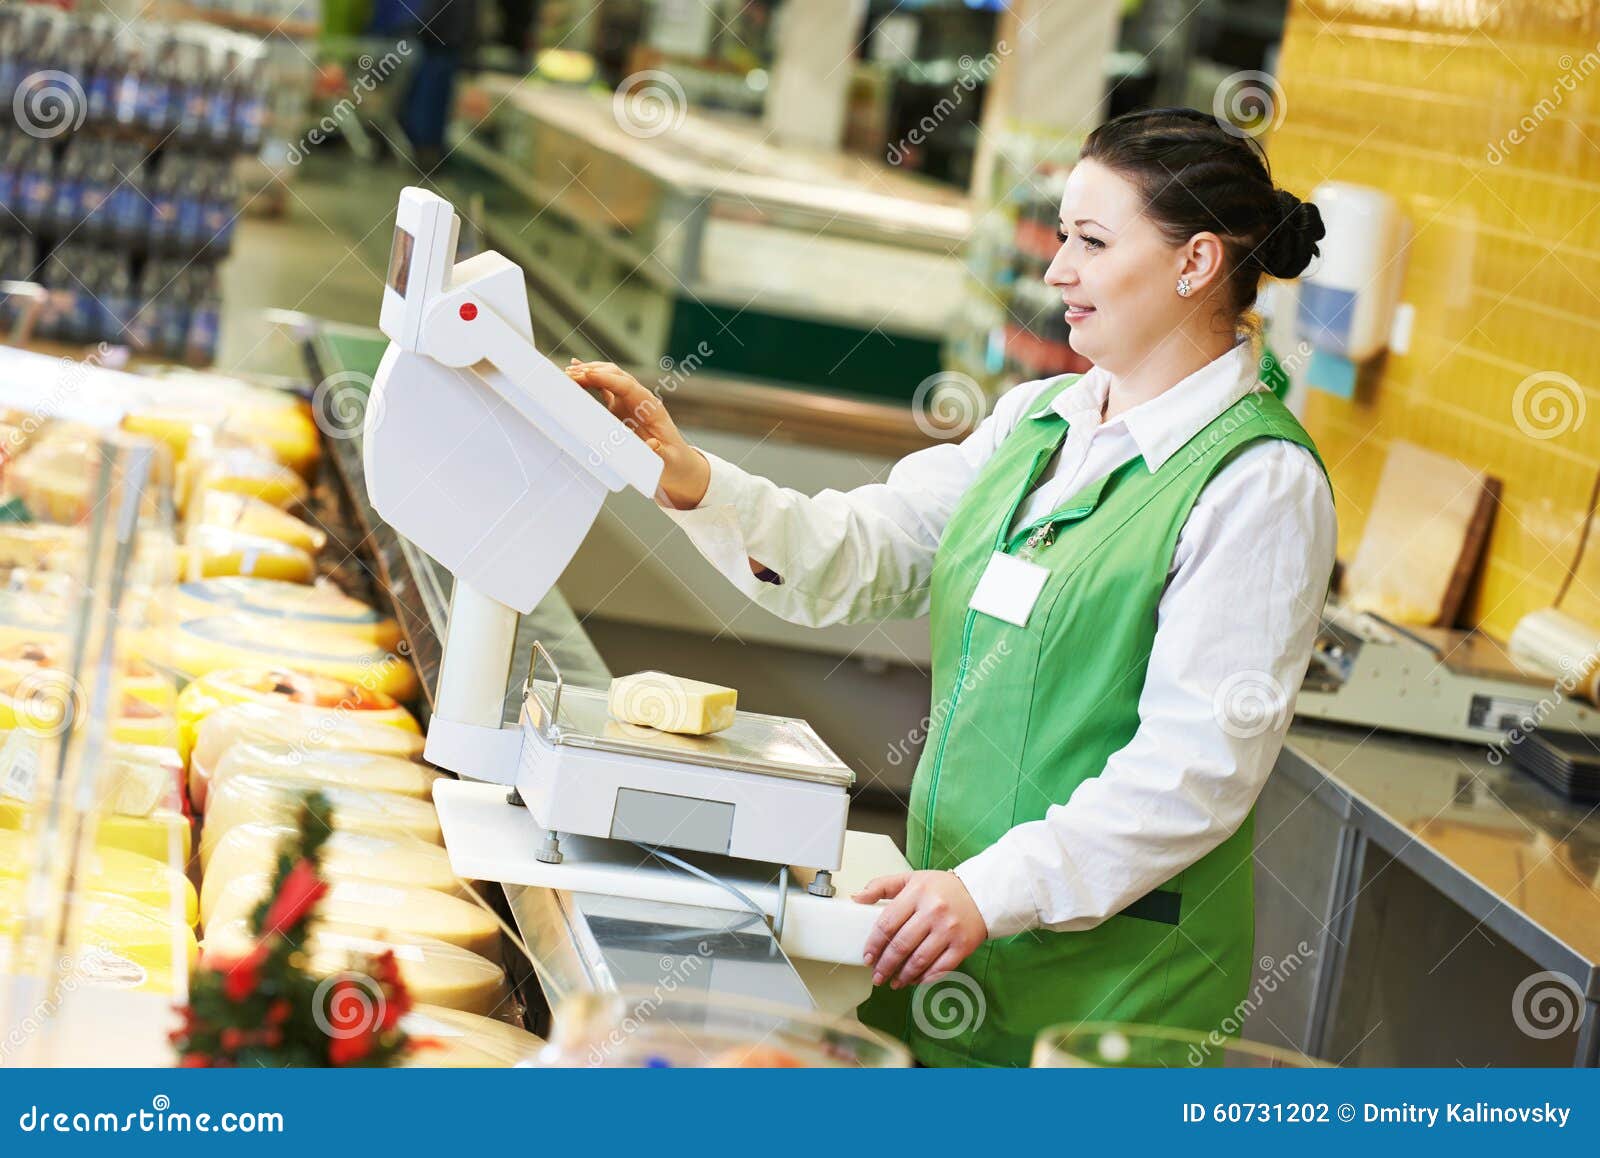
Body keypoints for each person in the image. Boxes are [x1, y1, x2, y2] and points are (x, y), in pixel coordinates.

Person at [564, 106, 1337, 1068]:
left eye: (1093, 243)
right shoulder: (1040, 419)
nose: (1058, 272)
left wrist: (992, 890)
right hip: (950, 947)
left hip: (1108, 1001)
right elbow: (866, 551)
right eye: (1063, 239)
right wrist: (690, 478)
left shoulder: (1258, 483)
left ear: (1196, 265)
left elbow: (1195, 771)